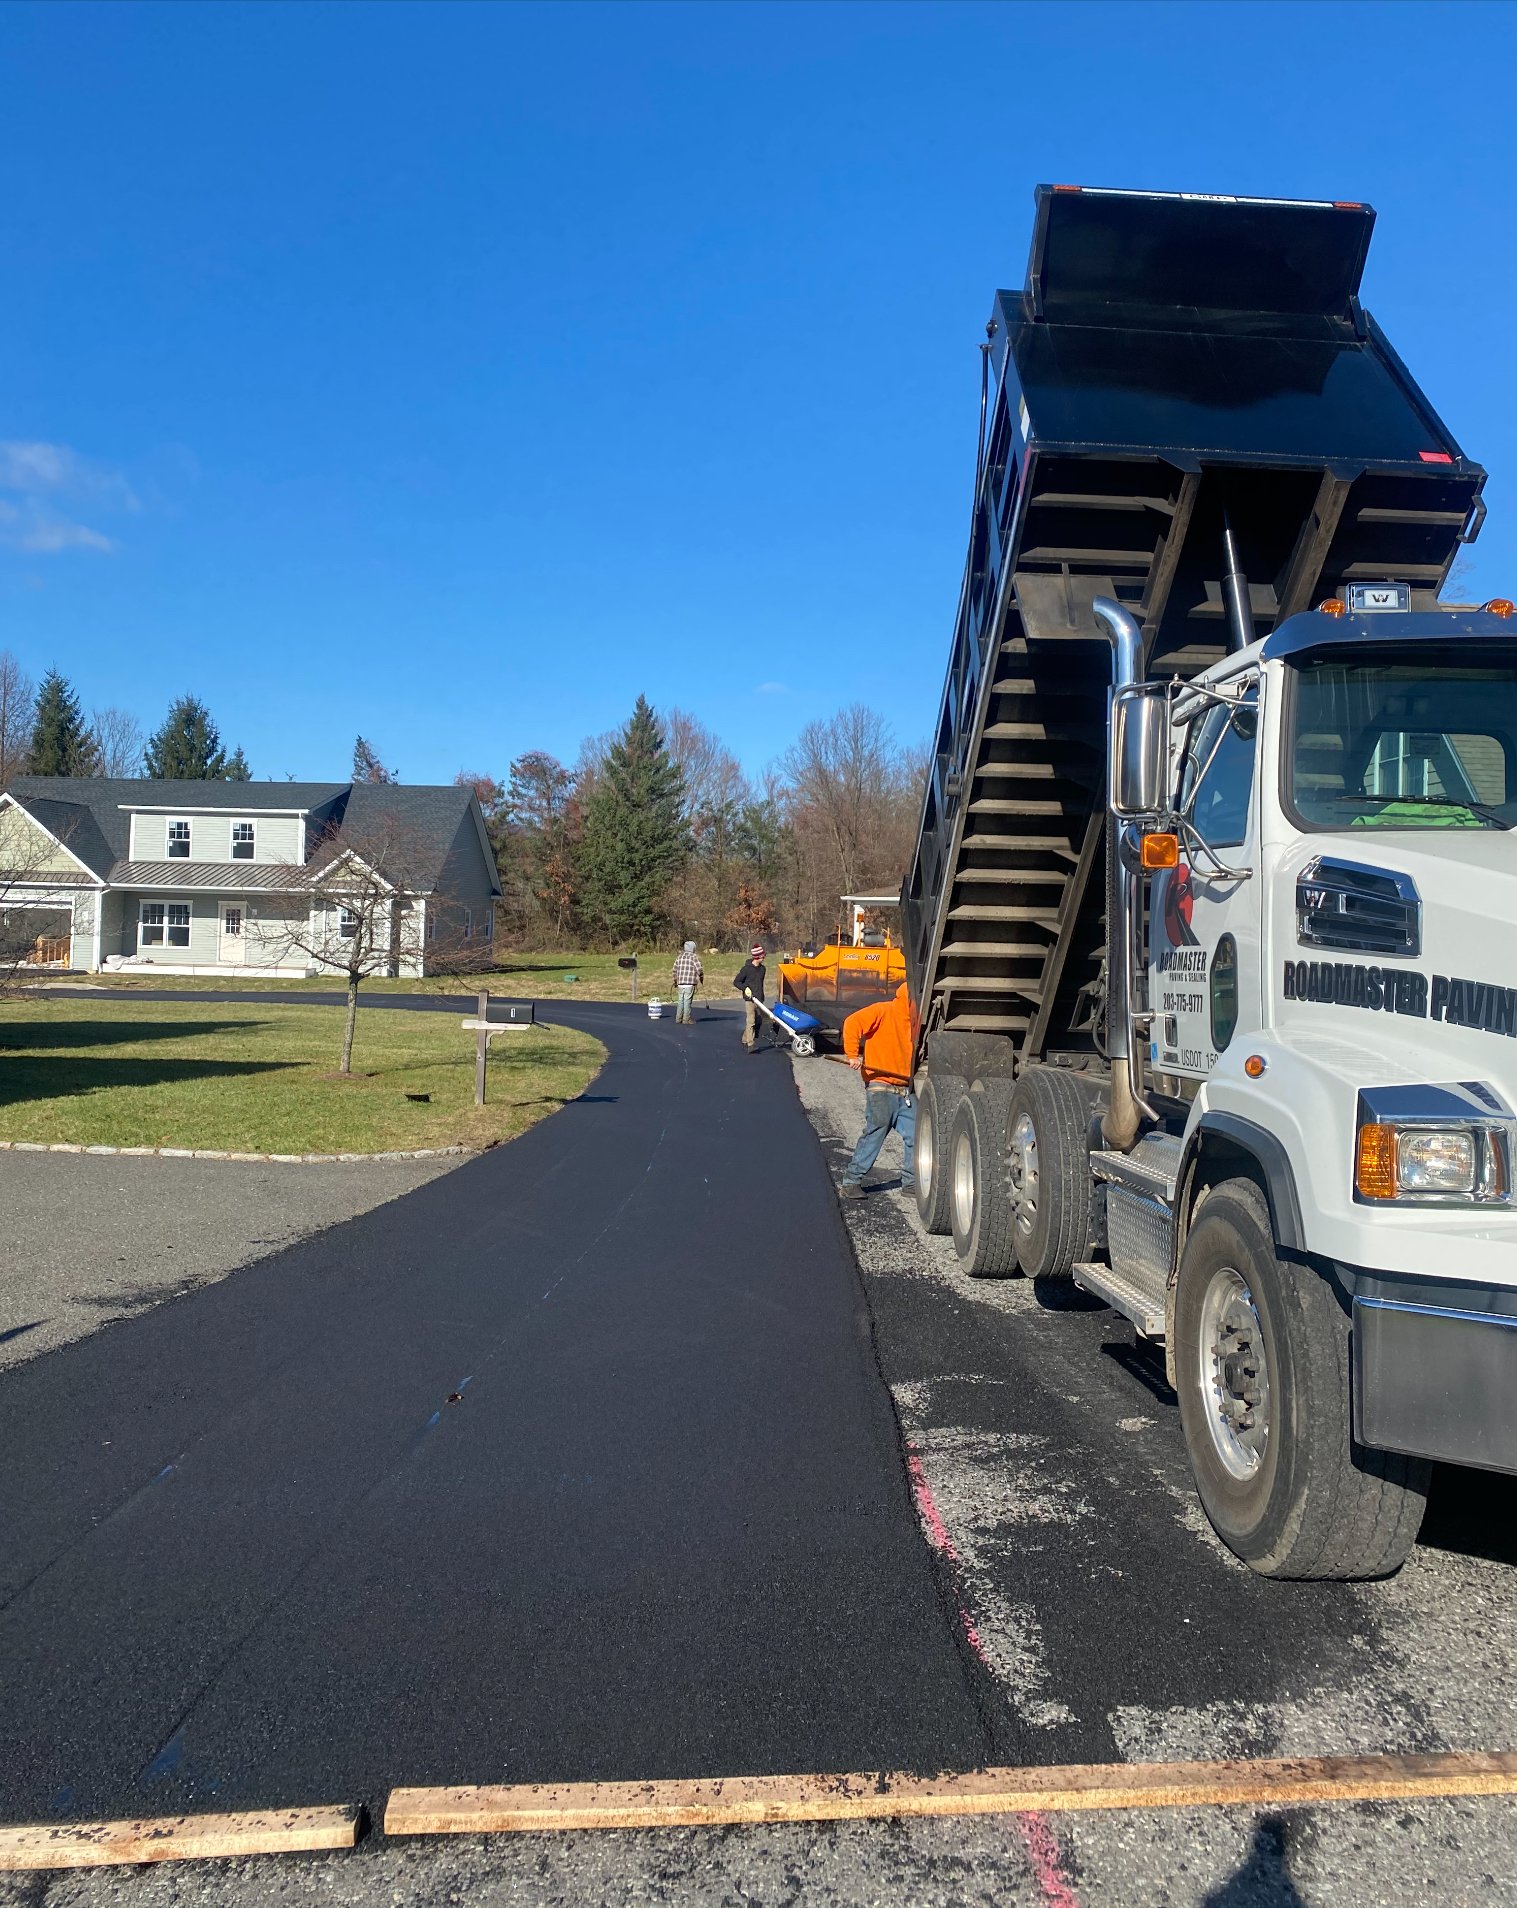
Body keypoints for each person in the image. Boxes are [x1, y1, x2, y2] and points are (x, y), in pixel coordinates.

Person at [838, 982, 916, 1199]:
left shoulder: (918, 1024)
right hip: (880, 1086)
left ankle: (910, 1183)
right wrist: (852, 1054)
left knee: (916, 1135)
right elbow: (853, 1022)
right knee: (876, 1130)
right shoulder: (884, 1011)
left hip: (906, 1090)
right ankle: (851, 1182)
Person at [732, 943, 767, 1051]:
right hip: (749, 1000)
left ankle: (744, 1039)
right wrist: (745, 988)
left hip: (759, 999)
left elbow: (760, 984)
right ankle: (751, 1044)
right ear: (757, 956)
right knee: (751, 1021)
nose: (764, 957)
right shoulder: (746, 969)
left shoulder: (763, 969)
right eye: (762, 955)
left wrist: (761, 996)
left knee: (757, 1021)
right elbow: (736, 982)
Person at [672, 941, 704, 1024]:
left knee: (680, 1001)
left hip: (680, 983)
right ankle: (686, 1019)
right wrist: (701, 978)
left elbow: (674, 970)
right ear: (693, 948)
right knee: (687, 1001)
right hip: (689, 983)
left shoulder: (679, 957)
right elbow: (699, 969)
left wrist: (675, 981)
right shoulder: (694, 957)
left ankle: (678, 1018)